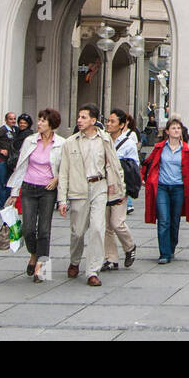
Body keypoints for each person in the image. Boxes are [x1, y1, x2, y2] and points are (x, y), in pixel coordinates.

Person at [57, 104, 123, 287]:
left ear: (94, 121)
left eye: (84, 117)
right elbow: (64, 172)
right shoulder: (70, 142)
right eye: (79, 116)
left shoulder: (105, 140)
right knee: (77, 232)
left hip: (99, 186)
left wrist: (117, 187)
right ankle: (75, 260)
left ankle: (93, 270)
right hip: (79, 188)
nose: (79, 120)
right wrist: (62, 199)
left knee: (97, 229)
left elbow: (113, 164)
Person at [8, 108, 63, 281]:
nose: (39, 123)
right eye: (39, 120)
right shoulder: (30, 141)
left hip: (48, 190)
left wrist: (58, 178)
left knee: (44, 230)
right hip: (29, 188)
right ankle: (34, 254)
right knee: (28, 229)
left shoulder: (61, 143)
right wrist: (14, 192)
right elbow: (20, 166)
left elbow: (66, 168)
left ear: (51, 124)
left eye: (43, 121)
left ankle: (43, 269)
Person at [143, 118, 189, 264]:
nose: (176, 131)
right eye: (173, 128)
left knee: (174, 220)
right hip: (162, 187)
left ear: (181, 132)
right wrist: (144, 177)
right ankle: (164, 253)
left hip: (179, 188)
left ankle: (171, 246)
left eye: (178, 128)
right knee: (164, 220)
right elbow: (149, 163)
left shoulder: (186, 149)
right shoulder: (160, 147)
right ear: (167, 131)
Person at [101, 110, 139, 271]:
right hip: (103, 186)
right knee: (106, 225)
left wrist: (127, 189)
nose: (108, 124)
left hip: (119, 188)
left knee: (117, 223)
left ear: (122, 125)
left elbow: (133, 168)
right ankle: (110, 258)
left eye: (112, 121)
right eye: (108, 121)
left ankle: (130, 246)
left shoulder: (128, 143)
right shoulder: (102, 140)